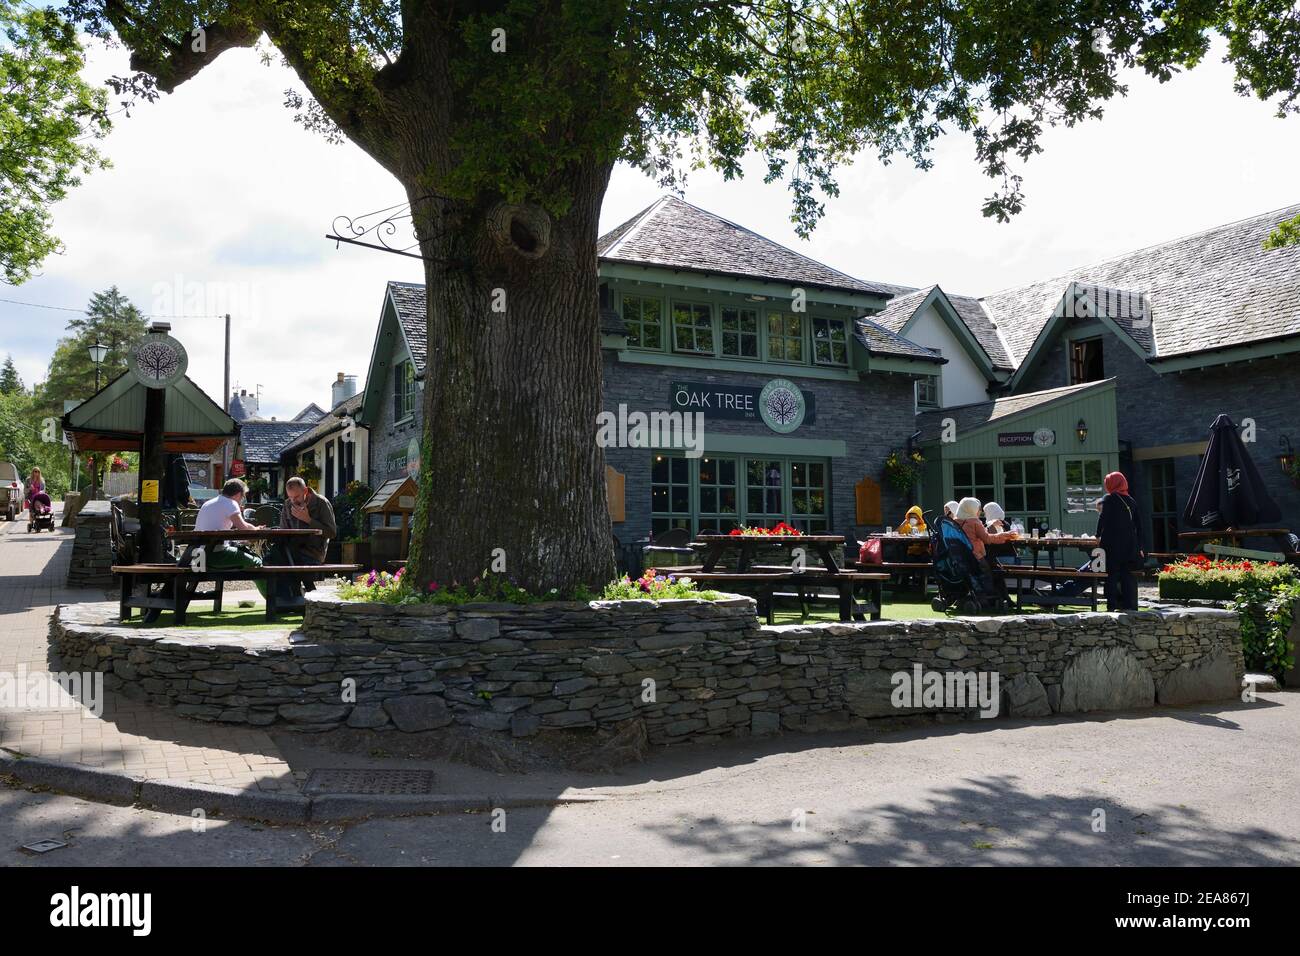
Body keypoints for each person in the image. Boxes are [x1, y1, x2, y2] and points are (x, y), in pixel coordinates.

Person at [193, 478, 265, 573]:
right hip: (215, 555)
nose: (242, 499)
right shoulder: (231, 503)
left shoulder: (209, 503)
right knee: (257, 562)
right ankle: (270, 588)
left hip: (197, 554)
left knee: (243, 553)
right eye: (243, 496)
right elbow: (244, 528)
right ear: (239, 494)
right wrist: (256, 529)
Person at [1096, 471, 1143, 611]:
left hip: (1112, 544)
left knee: (1111, 575)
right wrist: (1140, 546)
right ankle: (1129, 606)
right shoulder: (1131, 501)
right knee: (1127, 575)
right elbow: (1139, 526)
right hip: (1130, 544)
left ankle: (1112, 605)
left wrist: (1097, 535)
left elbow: (1102, 519)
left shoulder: (1108, 499)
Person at [955, 497, 1016, 602]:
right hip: (975, 557)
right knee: (994, 568)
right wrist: (1004, 535)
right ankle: (994, 597)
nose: (979, 512)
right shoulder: (974, 521)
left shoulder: (954, 522)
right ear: (971, 509)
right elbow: (987, 539)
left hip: (959, 557)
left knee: (993, 565)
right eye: (977, 509)